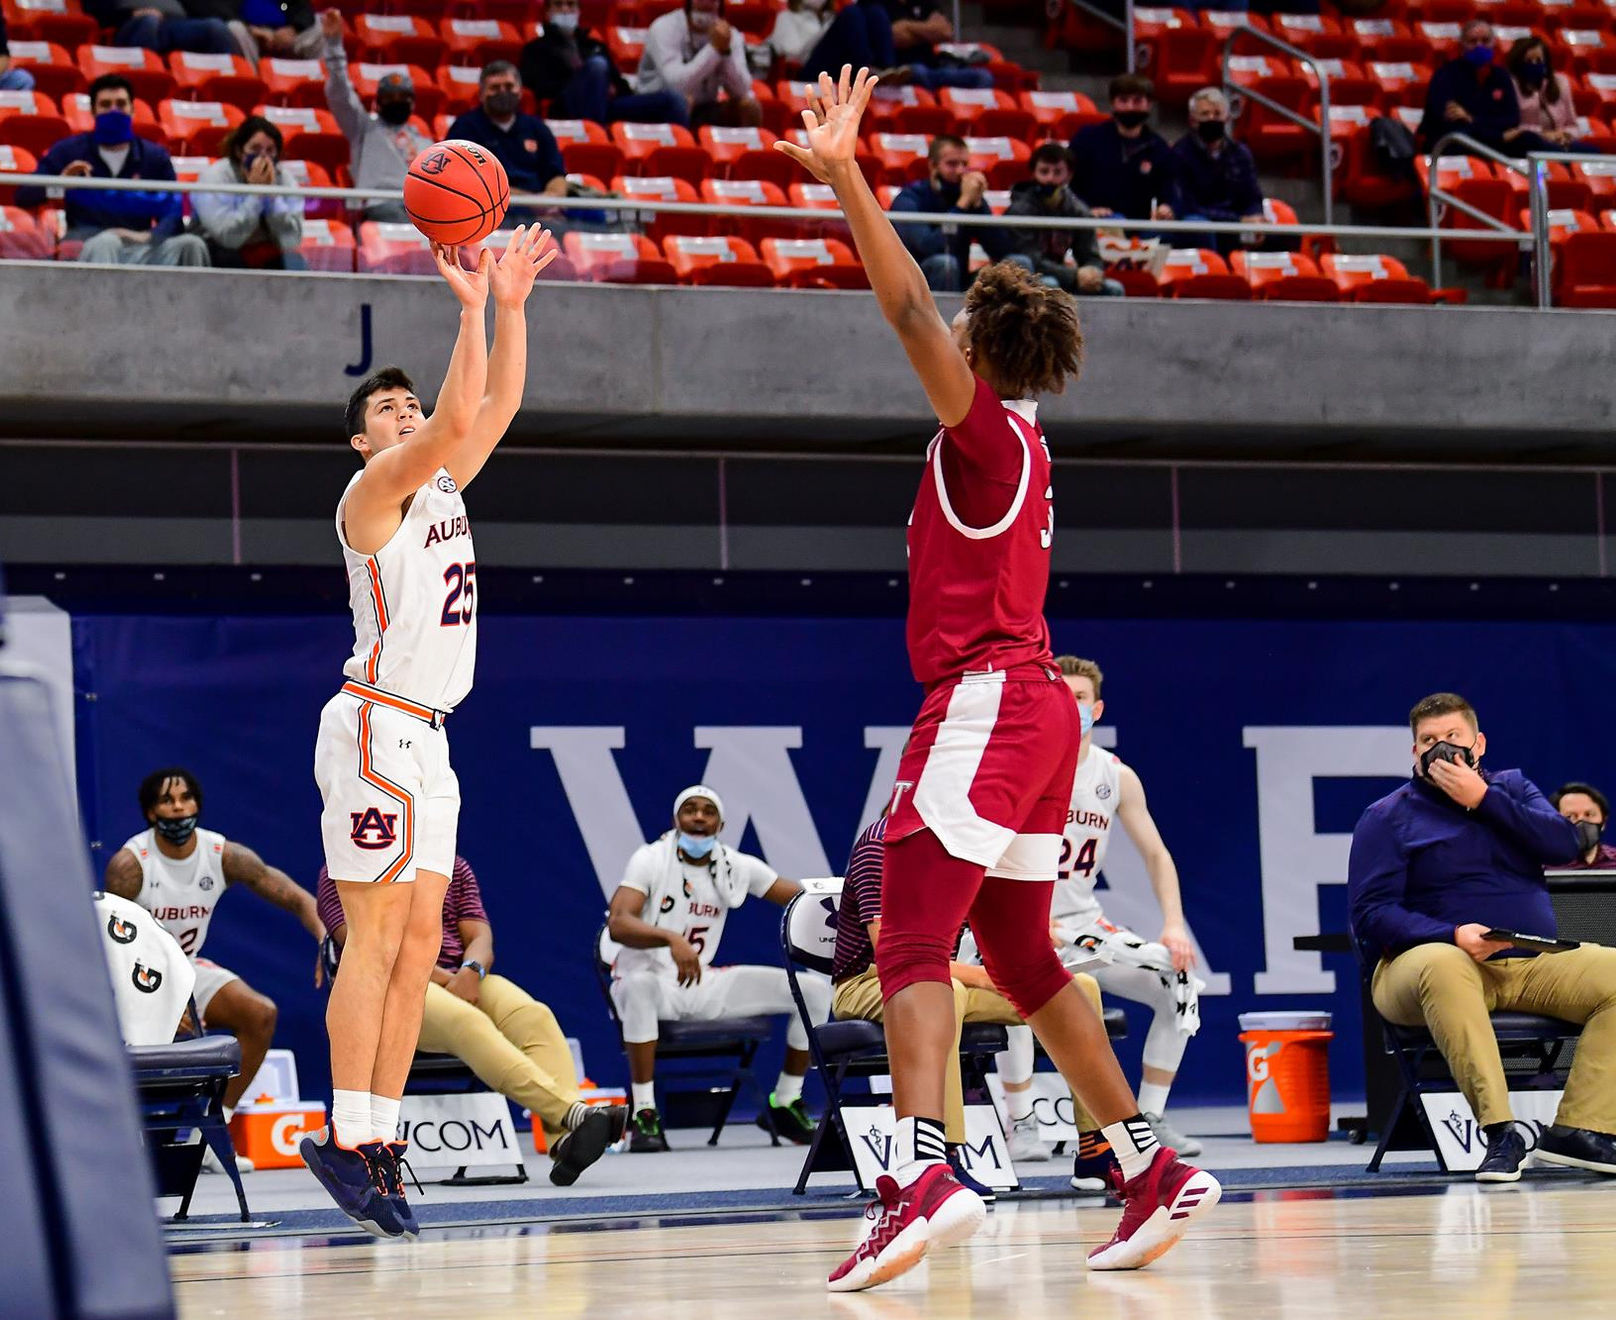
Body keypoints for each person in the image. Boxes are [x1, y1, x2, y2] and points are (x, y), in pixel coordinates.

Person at [776, 67, 1218, 1292]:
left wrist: (848, 175)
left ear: (981, 348)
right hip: (1037, 720)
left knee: (910, 938)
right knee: (1024, 956)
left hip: (983, 704)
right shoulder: (1025, 443)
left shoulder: (982, 437)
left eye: (961, 334)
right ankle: (1146, 1165)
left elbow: (908, 308)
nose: (945, 340)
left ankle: (919, 1174)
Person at [303, 225, 556, 1241]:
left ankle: (379, 1141)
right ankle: (345, 1130)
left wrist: (513, 309)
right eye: (386, 410)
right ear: (366, 442)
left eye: (408, 404)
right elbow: (459, 412)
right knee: (371, 941)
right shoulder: (369, 497)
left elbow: (494, 407)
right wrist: (468, 306)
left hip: (429, 739)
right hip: (372, 729)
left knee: (419, 951)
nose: (406, 414)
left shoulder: (442, 482)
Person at [1349, 691, 1616, 1182]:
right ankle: (1501, 1132)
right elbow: (1371, 913)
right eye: (1427, 741)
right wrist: (1449, 934)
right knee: (1444, 963)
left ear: (1479, 744)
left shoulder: (1512, 789)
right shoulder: (1387, 816)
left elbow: (1562, 843)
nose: (1440, 749)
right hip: (1422, 968)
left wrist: (1483, 799)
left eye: (1452, 737)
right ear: (1413, 753)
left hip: (1526, 960)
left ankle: (1580, 1129)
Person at [832, 816, 1121, 1196]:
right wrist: (986, 978)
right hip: (869, 981)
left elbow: (1001, 922)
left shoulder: (963, 844)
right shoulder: (880, 845)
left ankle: (1096, 1148)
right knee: (942, 994)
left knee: (1078, 987)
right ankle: (943, 1158)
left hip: (943, 978)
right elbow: (890, 950)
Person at [996, 655, 1203, 1159]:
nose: (1072, 705)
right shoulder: (1018, 766)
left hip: (1082, 926)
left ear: (1098, 707)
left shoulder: (1115, 775)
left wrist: (1174, 925)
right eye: (1061, 696)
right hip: (1022, 927)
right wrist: (1020, 920)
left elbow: (1156, 853)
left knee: (1178, 982)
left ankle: (1149, 1116)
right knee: (1018, 999)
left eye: (1081, 697)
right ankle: (1022, 1122)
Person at [316, 858, 627, 1186]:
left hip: (459, 976)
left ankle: (563, 1142)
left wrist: (472, 970)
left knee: (535, 1017)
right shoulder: (344, 867)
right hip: (393, 988)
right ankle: (574, 1113)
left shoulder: (452, 865)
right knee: (466, 1021)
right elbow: (360, 946)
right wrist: (433, 976)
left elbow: (479, 934)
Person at [100, 767, 329, 1167]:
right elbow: (110, 944)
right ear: (151, 813)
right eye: (166, 801)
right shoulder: (130, 865)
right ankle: (126, 1135)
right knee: (147, 1034)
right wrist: (164, 1004)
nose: (177, 807)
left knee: (260, 1014)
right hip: (136, 977)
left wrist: (325, 940)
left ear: (197, 804)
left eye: (185, 797)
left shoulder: (222, 855)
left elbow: (296, 898)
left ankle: (214, 1132)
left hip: (187, 967)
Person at [606, 785, 828, 1152]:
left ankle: (785, 1101)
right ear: (676, 820)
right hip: (649, 984)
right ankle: (645, 1112)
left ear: (720, 824)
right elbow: (619, 922)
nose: (698, 817)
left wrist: (852, 904)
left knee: (814, 991)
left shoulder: (735, 865)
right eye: (689, 810)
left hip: (700, 982)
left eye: (707, 812)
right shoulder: (650, 858)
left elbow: (801, 899)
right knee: (640, 985)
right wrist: (670, 939)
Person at [16, 74, 212, 267]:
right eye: (105, 105)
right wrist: (60, 184)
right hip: (88, 243)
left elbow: (174, 212)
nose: (114, 111)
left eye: (120, 104)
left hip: (141, 244)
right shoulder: (68, 150)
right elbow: (24, 195)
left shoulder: (155, 156)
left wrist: (148, 236)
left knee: (191, 244)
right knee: (106, 242)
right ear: (93, 111)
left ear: (132, 109)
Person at [320, 9, 433, 224]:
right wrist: (334, 46)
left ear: (413, 103)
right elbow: (340, 94)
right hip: (380, 208)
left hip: (421, 209)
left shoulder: (424, 142)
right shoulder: (363, 128)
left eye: (403, 97)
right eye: (390, 97)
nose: (396, 101)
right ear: (378, 102)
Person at [522, 0, 690, 124]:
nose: (565, 10)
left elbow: (620, 83)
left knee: (673, 100)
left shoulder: (595, 45)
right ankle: (596, 138)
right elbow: (537, 87)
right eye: (559, 5)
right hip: (567, 105)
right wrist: (585, 83)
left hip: (607, 105)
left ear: (578, 11)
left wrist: (613, 88)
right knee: (597, 66)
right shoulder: (536, 48)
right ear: (547, 12)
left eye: (570, 5)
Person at [890, 136, 1010, 293]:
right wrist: (961, 205)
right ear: (933, 166)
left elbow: (1000, 250)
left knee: (1013, 265)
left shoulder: (969, 196)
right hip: (916, 284)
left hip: (960, 279)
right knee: (945, 264)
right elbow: (928, 246)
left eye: (964, 164)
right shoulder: (911, 197)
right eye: (952, 164)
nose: (960, 171)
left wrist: (979, 205)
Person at [190, 116, 312, 270]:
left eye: (270, 151)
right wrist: (256, 195)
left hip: (262, 249)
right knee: (228, 258)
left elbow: (291, 240)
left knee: (295, 262)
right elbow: (227, 237)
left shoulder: (284, 179)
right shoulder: (215, 176)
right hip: (217, 249)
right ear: (239, 151)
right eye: (255, 149)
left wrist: (272, 195)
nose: (263, 157)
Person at [1003, 144, 1124, 298]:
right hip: (1027, 278)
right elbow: (1030, 260)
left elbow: (1091, 256)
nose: (1050, 179)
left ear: (1069, 175)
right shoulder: (1019, 211)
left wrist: (1091, 273)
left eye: (1057, 172)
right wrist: (1075, 275)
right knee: (1050, 285)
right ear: (1033, 174)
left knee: (1114, 289)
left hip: (1065, 275)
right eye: (1044, 172)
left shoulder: (1078, 210)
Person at [1067, 74, 1184, 224]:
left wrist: (1169, 208)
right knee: (1116, 220)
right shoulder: (1086, 139)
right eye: (1123, 100)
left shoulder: (1159, 147)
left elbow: (1172, 189)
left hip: (1143, 227)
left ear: (1149, 105)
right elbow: (1068, 186)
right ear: (1112, 104)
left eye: (1137, 101)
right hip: (1095, 221)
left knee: (1197, 224)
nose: (1130, 107)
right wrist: (1087, 209)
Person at [448, 63, 570, 198]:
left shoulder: (538, 128)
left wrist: (551, 199)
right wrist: (530, 201)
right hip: (487, 209)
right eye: (495, 88)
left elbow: (556, 174)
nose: (503, 92)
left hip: (540, 210)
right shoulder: (464, 128)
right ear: (481, 95)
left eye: (509, 86)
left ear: (520, 92)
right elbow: (465, 182)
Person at [636, 0, 762, 128]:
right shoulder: (664, 27)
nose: (706, 2)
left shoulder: (729, 34)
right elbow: (677, 86)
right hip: (659, 105)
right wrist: (714, 50)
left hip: (703, 107)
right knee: (681, 103)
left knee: (749, 108)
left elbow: (742, 90)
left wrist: (725, 52)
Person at [1172, 88, 1264, 254]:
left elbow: (1253, 196)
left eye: (1217, 114)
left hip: (1238, 222)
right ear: (1193, 120)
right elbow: (1188, 206)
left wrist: (1256, 217)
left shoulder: (1240, 153)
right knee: (1199, 226)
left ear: (1227, 118)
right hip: (1204, 221)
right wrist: (1238, 220)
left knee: (1281, 233)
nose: (1211, 119)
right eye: (1205, 114)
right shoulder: (1180, 154)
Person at [1420, 21, 1520, 154]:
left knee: (1528, 140)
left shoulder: (1502, 76)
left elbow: (1512, 119)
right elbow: (1449, 121)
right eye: (1473, 41)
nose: (1480, 46)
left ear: (1494, 44)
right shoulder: (1445, 75)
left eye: (1485, 41)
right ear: (1462, 46)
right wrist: (1498, 135)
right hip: (1451, 143)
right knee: (1460, 135)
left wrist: (1472, 119)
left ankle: (1545, 172)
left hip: (1491, 143)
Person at [862, 0, 993, 90]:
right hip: (901, 69)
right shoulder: (879, 4)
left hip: (933, 66)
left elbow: (945, 31)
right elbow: (894, 36)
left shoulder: (925, 2)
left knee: (984, 77)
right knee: (918, 71)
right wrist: (927, 31)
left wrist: (908, 27)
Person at [1505, 35, 1592, 156]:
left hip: (1560, 143)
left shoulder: (1560, 83)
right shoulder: (1509, 84)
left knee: (1593, 152)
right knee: (1535, 145)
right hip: (1530, 145)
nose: (1534, 65)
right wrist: (1544, 135)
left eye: (1539, 60)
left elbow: (1572, 125)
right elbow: (1511, 129)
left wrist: (1563, 135)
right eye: (1528, 61)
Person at [81, 0, 242, 55]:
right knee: (149, 23)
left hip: (175, 24)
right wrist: (131, 13)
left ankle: (227, 96)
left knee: (215, 27)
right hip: (132, 24)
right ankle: (147, 87)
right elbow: (95, 9)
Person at [1551, 782, 1616, 867]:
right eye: (1570, 816)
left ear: (1604, 822)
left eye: (1589, 814)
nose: (1581, 821)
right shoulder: (1543, 865)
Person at [239, 0, 326, 60]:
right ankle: (253, 78)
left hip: (284, 33)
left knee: (319, 26)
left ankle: (319, 81)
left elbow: (304, 10)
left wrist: (292, 29)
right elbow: (227, 11)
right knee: (236, 28)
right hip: (249, 34)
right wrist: (251, 29)